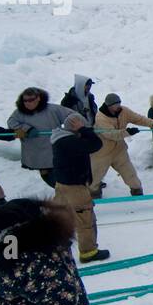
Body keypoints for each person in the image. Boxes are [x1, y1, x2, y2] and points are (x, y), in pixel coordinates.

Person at [51, 112, 110, 262]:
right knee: (85, 219)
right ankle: (88, 252)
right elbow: (95, 144)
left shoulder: (60, 138)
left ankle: (56, 248)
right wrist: (84, 130)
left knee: (59, 217)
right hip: (74, 187)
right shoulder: (69, 141)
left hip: (62, 184)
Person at [90, 93, 153, 197]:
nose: (118, 106)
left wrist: (152, 123)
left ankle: (136, 190)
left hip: (119, 151)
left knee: (130, 173)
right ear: (109, 106)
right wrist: (127, 132)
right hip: (101, 152)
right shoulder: (100, 117)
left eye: (119, 103)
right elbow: (111, 134)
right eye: (115, 104)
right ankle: (94, 193)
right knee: (95, 177)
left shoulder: (123, 111)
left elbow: (138, 118)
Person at [7, 87, 72, 187]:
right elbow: (11, 121)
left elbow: (72, 116)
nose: (28, 103)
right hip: (35, 151)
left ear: (38, 98)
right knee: (47, 175)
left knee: (62, 174)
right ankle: (63, 192)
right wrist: (26, 129)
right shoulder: (19, 112)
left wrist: (74, 127)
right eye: (25, 100)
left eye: (31, 100)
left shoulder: (52, 109)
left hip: (53, 147)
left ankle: (67, 192)